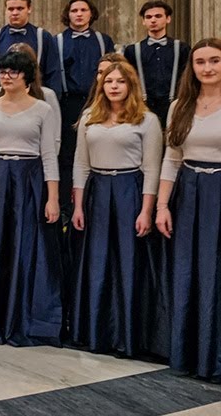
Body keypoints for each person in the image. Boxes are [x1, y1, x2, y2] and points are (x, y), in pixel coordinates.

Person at [0, 50, 63, 347]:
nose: (6, 76)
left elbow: (49, 155)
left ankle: (25, 317)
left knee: (26, 247)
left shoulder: (42, 110)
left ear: (27, 76)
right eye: (3, 72)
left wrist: (53, 197)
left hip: (29, 179)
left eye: (13, 72)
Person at [69, 60, 162, 357]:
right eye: (109, 82)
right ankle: (96, 332)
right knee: (97, 263)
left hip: (129, 190)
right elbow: (80, 163)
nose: (113, 86)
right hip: (97, 190)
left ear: (131, 85)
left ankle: (128, 334)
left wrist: (147, 210)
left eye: (120, 82)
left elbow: (151, 168)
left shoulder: (146, 120)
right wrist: (78, 206)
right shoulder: (88, 117)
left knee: (127, 262)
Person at [155, 38, 221, 379]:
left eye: (215, 61)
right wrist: (162, 205)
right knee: (189, 271)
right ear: (191, 68)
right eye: (200, 62)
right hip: (188, 192)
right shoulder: (180, 105)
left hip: (219, 190)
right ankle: (190, 354)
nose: (208, 68)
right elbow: (171, 157)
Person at [56, 0, 117, 218]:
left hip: (97, 102)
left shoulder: (104, 40)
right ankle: (66, 206)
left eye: (83, 10)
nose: (79, 14)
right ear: (68, 14)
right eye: (74, 10)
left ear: (91, 14)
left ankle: (94, 200)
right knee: (67, 154)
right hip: (68, 104)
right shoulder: (57, 42)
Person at [0, 0, 63, 95]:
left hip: (35, 98)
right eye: (11, 9)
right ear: (5, 11)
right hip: (3, 99)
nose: (15, 13)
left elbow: (53, 73)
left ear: (29, 9)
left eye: (20, 8)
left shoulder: (44, 37)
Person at [123, 0, 189, 127]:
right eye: (148, 17)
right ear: (143, 21)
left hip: (175, 107)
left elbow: (186, 78)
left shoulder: (181, 48)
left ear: (168, 19)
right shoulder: (132, 51)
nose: (153, 20)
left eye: (158, 16)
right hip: (142, 108)